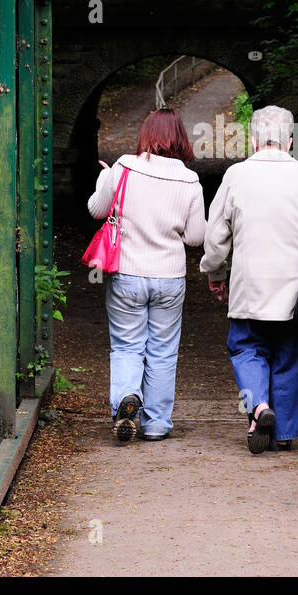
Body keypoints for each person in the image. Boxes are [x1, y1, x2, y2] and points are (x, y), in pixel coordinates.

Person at [199, 105, 298, 454]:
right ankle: (285, 434)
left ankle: (259, 407)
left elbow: (216, 235)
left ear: (254, 140)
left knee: (246, 348)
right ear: (289, 141)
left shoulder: (236, 176)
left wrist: (215, 271)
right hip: (296, 290)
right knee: (290, 356)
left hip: (249, 288)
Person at [89, 108, 206, 443]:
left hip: (127, 273)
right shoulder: (190, 180)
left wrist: (105, 178)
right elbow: (196, 237)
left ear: (146, 135)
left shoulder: (124, 166)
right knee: (163, 350)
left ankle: (127, 397)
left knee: (127, 345)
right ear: (181, 138)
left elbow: (96, 210)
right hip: (169, 276)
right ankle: (156, 424)